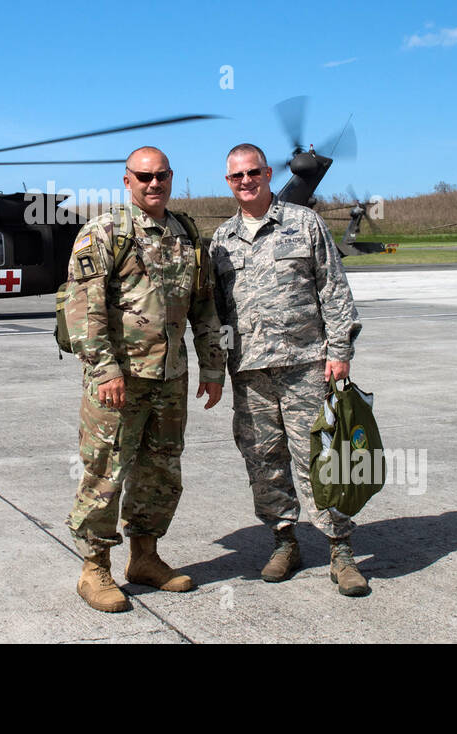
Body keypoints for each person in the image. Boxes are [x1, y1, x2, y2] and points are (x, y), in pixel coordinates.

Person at [64, 146, 226, 613]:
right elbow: (83, 308)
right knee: (105, 471)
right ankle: (95, 568)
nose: (154, 184)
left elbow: (204, 307)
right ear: (127, 180)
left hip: (171, 379)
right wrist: (104, 369)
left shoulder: (188, 234)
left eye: (162, 176)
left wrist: (212, 368)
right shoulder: (106, 232)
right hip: (120, 379)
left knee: (160, 470)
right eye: (144, 177)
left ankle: (145, 557)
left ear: (171, 178)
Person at [209, 143, 369, 596]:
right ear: (228, 182)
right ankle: (284, 542)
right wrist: (217, 367)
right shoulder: (221, 240)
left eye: (253, 173)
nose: (246, 181)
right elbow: (217, 312)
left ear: (265, 173)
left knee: (322, 458)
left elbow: (334, 290)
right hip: (250, 373)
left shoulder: (305, 224)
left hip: (306, 366)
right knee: (263, 460)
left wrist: (339, 351)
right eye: (236, 176)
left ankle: (341, 550)